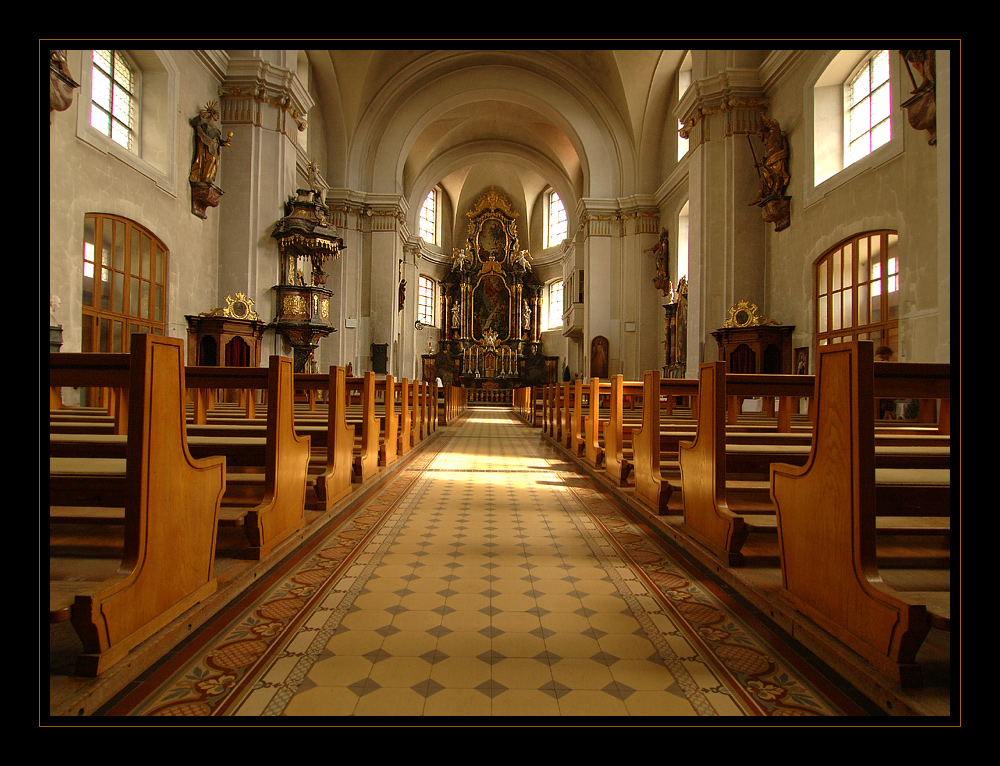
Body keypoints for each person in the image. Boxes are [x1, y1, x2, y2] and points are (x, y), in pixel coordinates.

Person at [189, 103, 232, 186]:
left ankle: (209, 178)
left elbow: (218, 140)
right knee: (210, 159)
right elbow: (195, 122)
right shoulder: (205, 123)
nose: (218, 117)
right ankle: (205, 178)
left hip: (214, 146)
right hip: (207, 144)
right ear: (212, 113)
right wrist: (203, 115)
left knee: (215, 162)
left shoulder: (215, 127)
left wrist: (225, 142)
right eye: (217, 114)